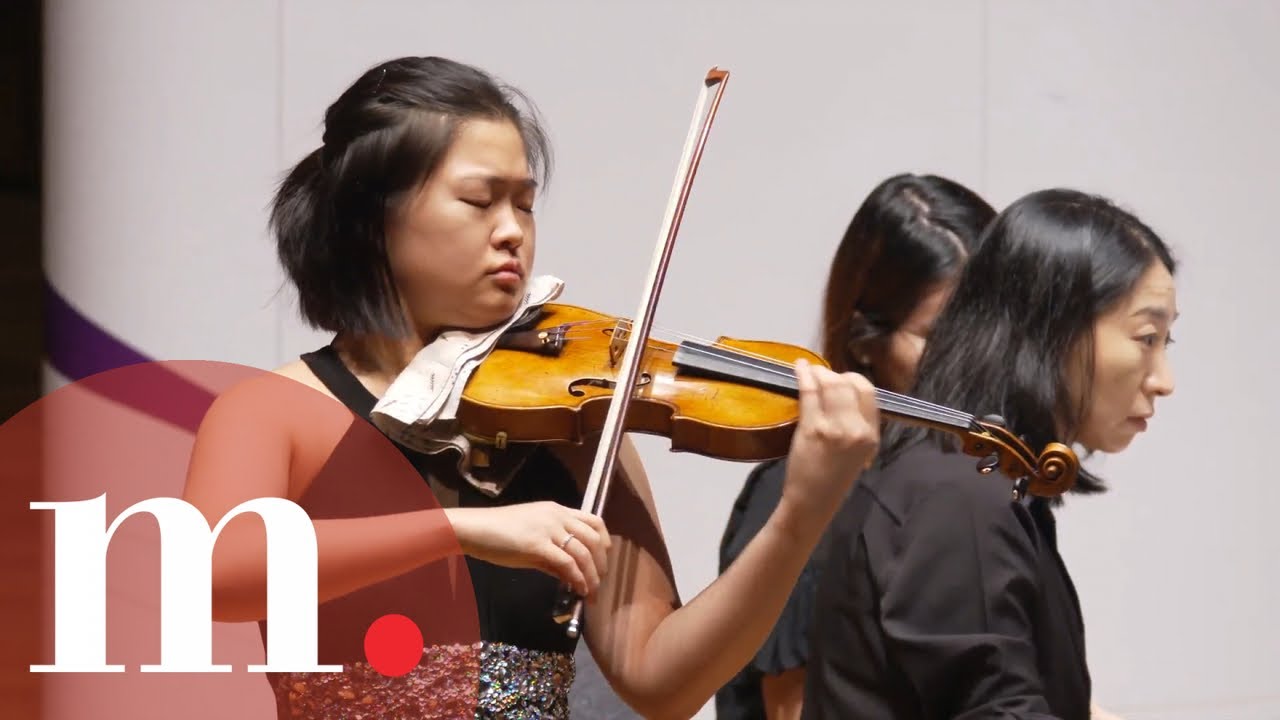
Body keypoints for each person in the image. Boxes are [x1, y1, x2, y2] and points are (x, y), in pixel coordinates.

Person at [180, 55, 882, 719]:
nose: (512, 232)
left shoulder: (574, 425)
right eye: (479, 201)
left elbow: (662, 685)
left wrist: (800, 515)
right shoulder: (276, 410)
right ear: (373, 219)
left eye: (525, 204)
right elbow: (215, 573)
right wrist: (461, 530)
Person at [800, 188, 1178, 719]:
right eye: (1146, 338)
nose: (1165, 381)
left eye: (1168, 341)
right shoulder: (958, 494)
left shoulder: (978, 480)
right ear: (1056, 331)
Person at [715, 173, 996, 719]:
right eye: (940, 337)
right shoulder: (806, 494)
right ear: (868, 341)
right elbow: (794, 711)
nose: (976, 360)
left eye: (990, 329)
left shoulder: (979, 483)